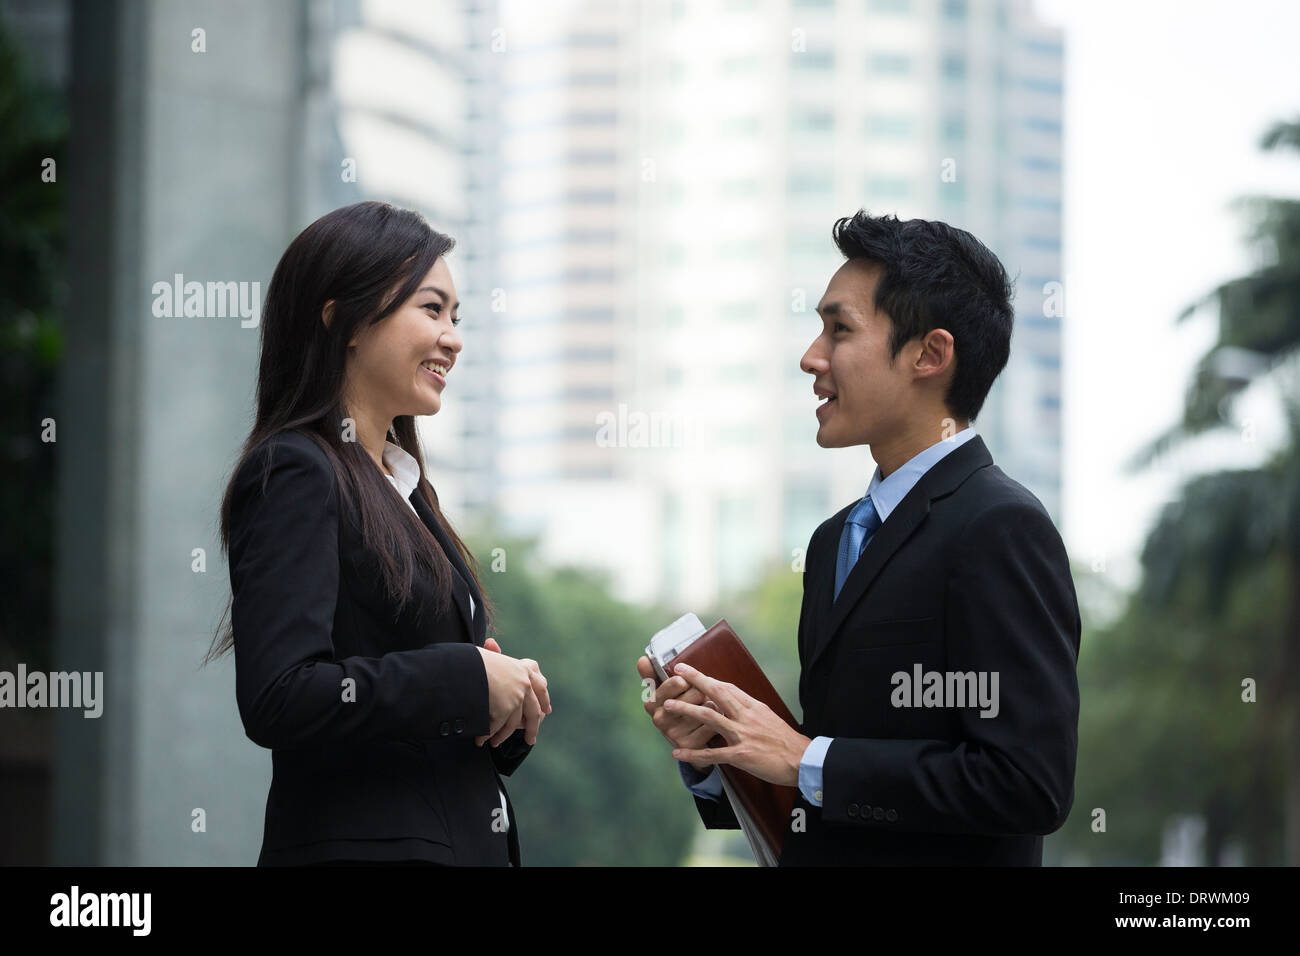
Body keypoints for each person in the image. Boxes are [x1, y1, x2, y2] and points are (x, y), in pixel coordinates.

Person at [638, 211, 1080, 865]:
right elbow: (820, 799)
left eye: (839, 329)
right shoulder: (831, 541)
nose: (810, 356)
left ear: (929, 354)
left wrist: (808, 757)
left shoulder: (1000, 528)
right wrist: (719, 748)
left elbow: (1027, 784)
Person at [205, 200, 549, 866]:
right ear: (344, 321)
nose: (453, 336)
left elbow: (416, 717)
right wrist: (461, 677)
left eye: (457, 316)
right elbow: (280, 696)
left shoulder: (405, 487)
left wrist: (504, 706)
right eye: (431, 308)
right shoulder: (296, 471)